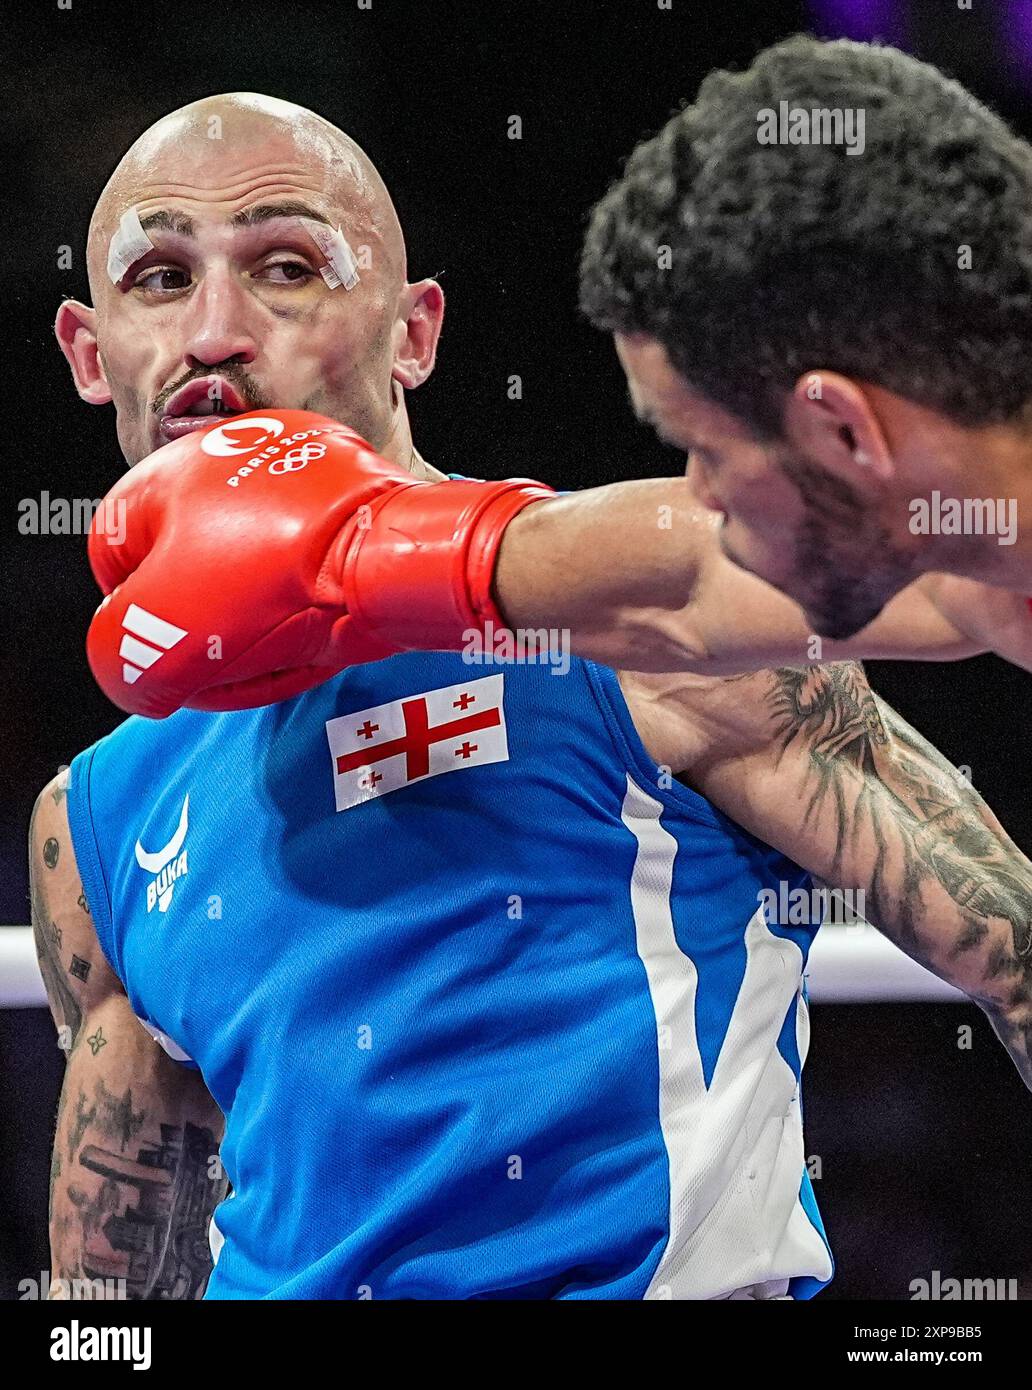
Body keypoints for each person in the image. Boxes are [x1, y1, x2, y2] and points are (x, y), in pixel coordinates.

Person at [37, 90, 1031, 1301]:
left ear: (415, 335)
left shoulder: (633, 621)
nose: (216, 333)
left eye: (286, 266)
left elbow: (1013, 947)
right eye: (159, 279)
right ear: (92, 355)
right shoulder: (91, 819)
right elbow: (114, 1288)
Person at [578, 33, 1032, 649]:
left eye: (705, 449)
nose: (700, 496)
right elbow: (682, 600)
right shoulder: (988, 569)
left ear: (843, 430)